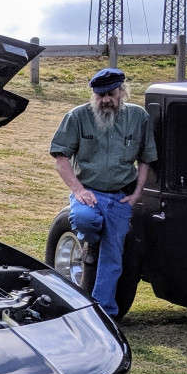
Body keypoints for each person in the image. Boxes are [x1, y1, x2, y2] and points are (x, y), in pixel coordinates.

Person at [49, 67, 157, 318]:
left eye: (110, 93)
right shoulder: (76, 117)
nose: (106, 99)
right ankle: (92, 243)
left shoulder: (138, 117)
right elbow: (61, 159)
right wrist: (78, 190)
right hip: (89, 194)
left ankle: (102, 312)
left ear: (122, 91)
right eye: (100, 95)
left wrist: (137, 193)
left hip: (121, 195)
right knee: (86, 222)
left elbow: (145, 159)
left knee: (113, 258)